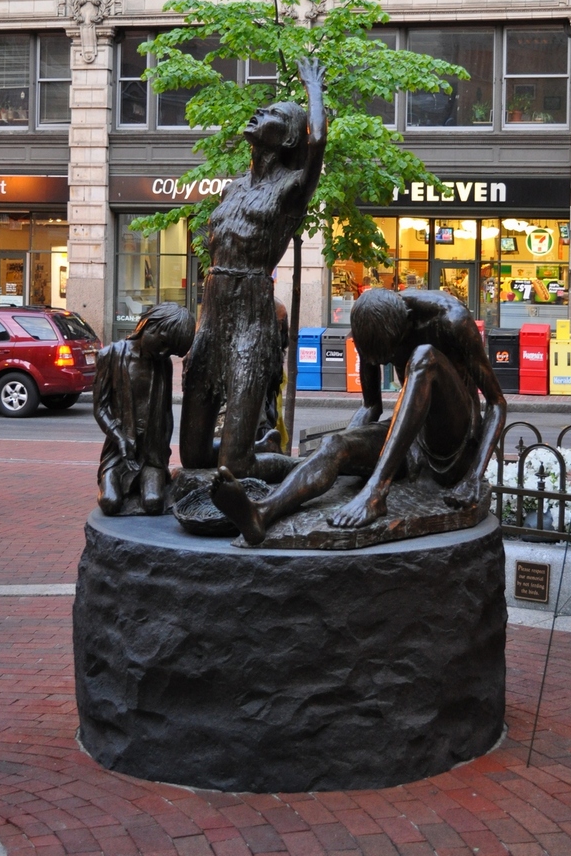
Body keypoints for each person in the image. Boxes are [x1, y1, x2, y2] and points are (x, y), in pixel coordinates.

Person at [211, 288, 507, 545]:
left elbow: (497, 403)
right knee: (334, 444)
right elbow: (370, 407)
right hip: (409, 439)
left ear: (405, 324)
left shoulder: (451, 320)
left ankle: (376, 492)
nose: (384, 363)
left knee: (423, 357)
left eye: (389, 356)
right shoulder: (370, 327)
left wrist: (473, 478)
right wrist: (343, 452)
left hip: (452, 445)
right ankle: (262, 512)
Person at [179, 56, 326, 479]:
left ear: (288, 138)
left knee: (232, 465)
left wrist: (313, 89)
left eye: (274, 113)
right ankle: (257, 446)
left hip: (250, 320)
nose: (260, 111)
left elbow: (317, 143)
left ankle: (300, 468)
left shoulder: (292, 189)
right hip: (212, 320)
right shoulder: (233, 188)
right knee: (192, 456)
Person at [93, 302, 195, 516]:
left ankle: (151, 484)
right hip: (119, 452)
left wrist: (163, 454)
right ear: (148, 325)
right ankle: (113, 481)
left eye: (170, 351)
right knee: (110, 503)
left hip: (151, 454)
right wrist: (119, 438)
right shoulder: (109, 356)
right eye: (163, 343)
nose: (163, 352)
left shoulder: (163, 364)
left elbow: (166, 413)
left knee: (153, 502)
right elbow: (100, 408)